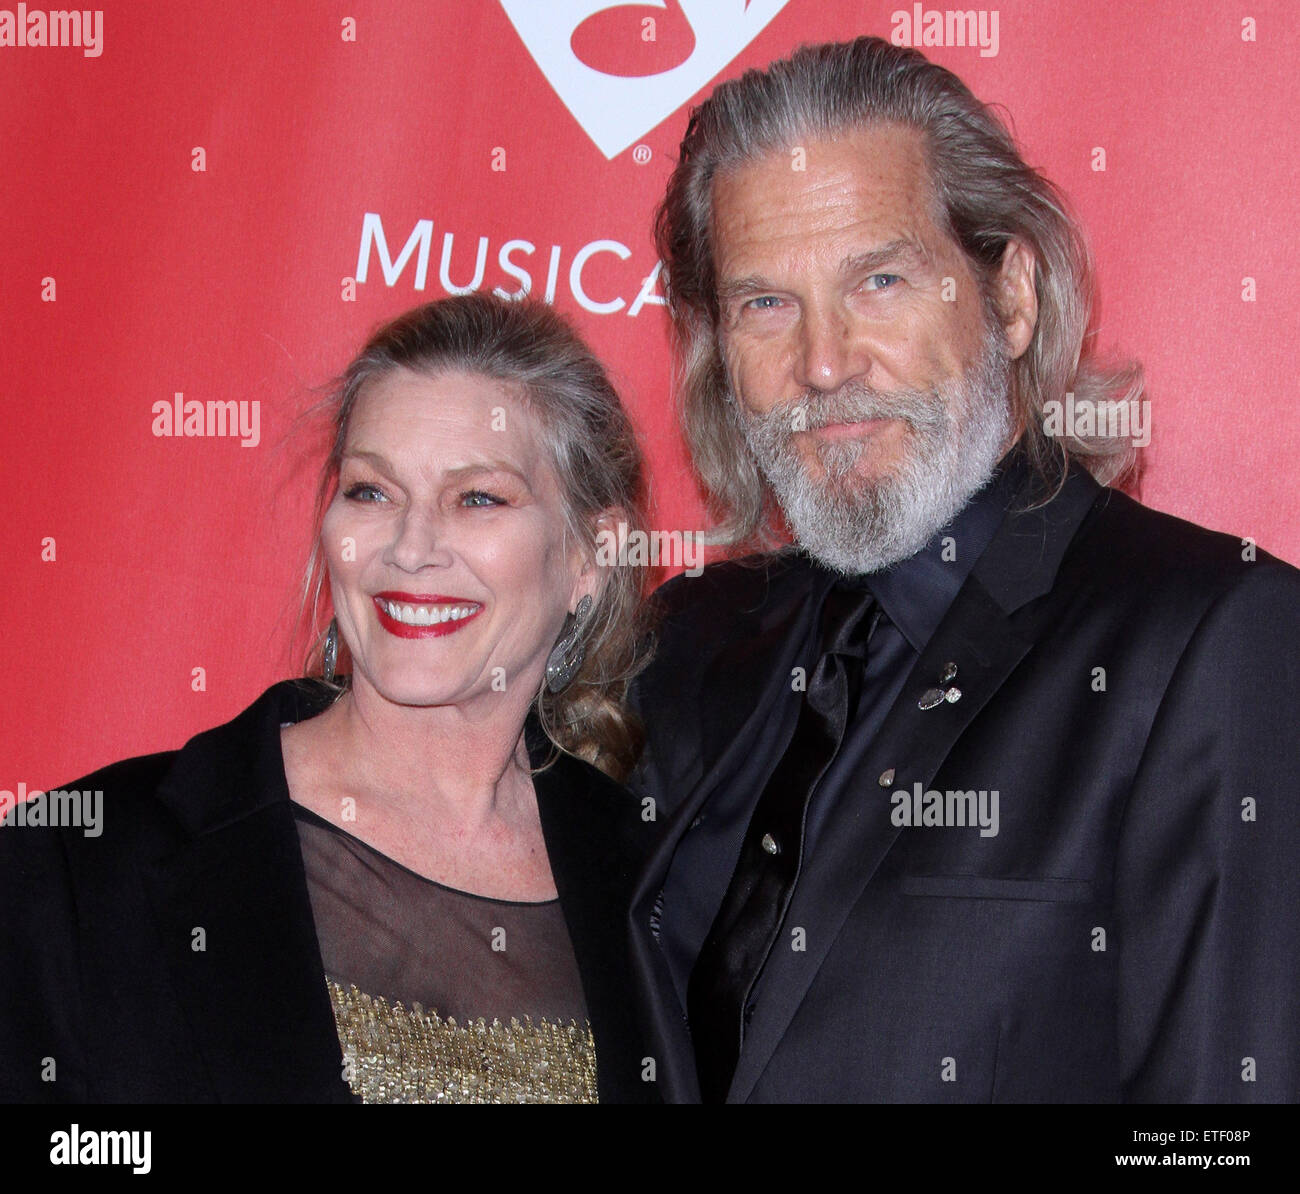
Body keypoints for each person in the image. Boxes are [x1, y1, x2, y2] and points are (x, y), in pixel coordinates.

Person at [628, 36, 1300, 1103]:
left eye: (879, 280)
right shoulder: (691, 645)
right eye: (765, 304)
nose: (823, 362)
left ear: (1012, 297)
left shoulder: (1214, 638)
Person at [0, 294, 659, 1103]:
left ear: (594, 556)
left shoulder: (653, 887)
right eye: (372, 492)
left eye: (477, 498)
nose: (411, 549)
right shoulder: (79, 863)